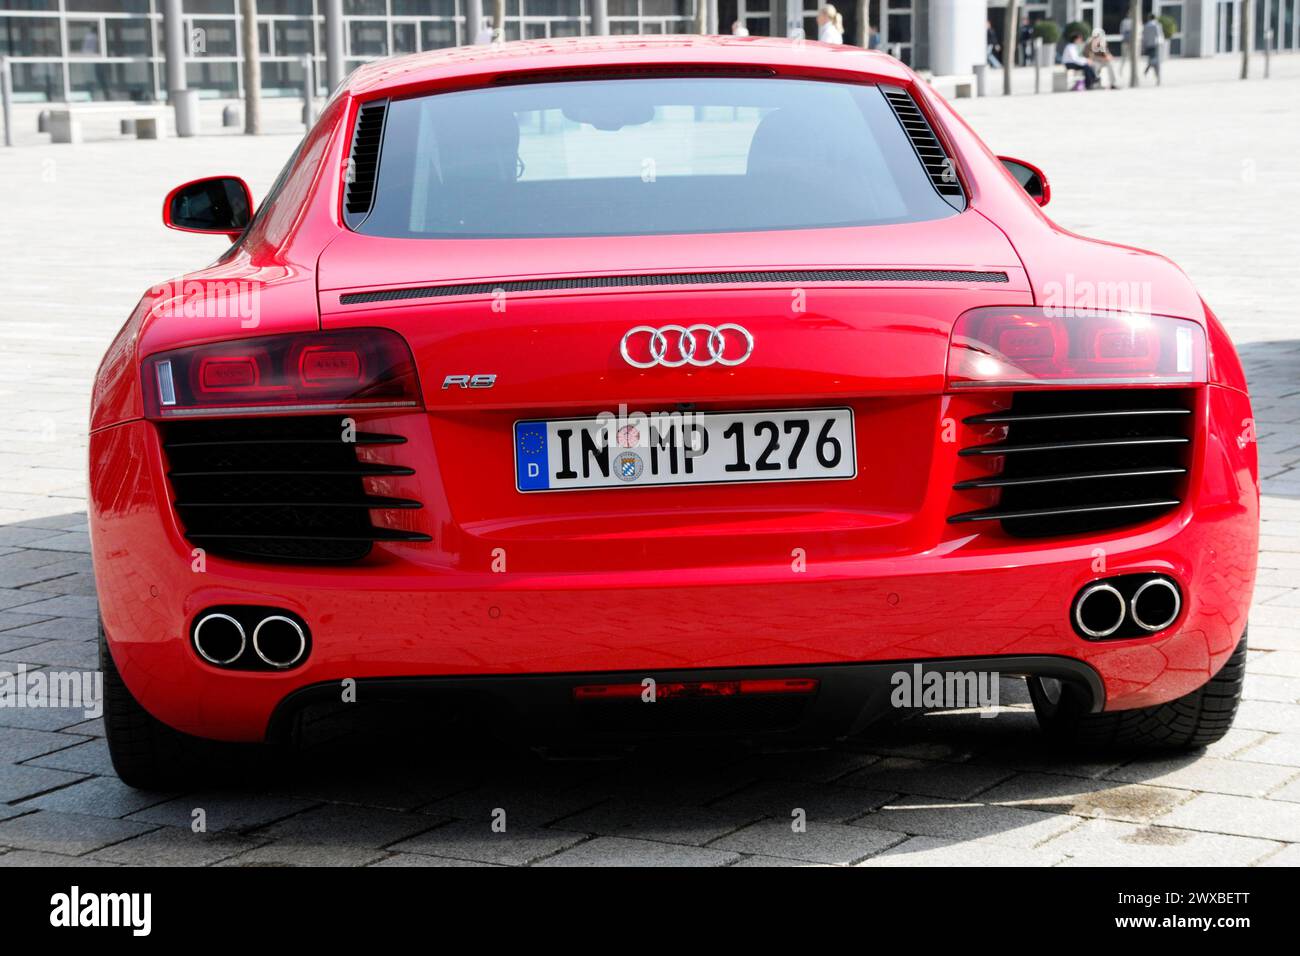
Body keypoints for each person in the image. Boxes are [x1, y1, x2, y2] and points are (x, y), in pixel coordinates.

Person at [1142, 14, 1163, 85]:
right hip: (1155, 46)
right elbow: (1159, 36)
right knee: (1155, 63)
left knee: (1152, 61)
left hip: (1148, 46)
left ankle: (1147, 69)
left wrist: (1143, 47)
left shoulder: (1146, 26)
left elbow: (1144, 38)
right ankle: (1157, 78)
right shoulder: (1156, 26)